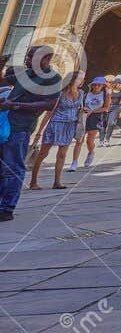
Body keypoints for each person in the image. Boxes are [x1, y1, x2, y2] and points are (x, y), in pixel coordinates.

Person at [0, 48, 62, 222]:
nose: (27, 59)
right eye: (27, 56)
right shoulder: (25, 73)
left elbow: (49, 104)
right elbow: (3, 82)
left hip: (20, 126)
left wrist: (15, 105)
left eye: (32, 57)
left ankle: (6, 208)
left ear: (47, 59)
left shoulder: (53, 79)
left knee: (12, 167)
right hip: (4, 123)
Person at [29, 71, 83, 191]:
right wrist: (39, 131)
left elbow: (78, 109)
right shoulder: (60, 94)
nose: (82, 81)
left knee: (62, 155)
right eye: (80, 79)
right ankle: (33, 181)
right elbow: (49, 112)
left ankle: (57, 182)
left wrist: (82, 113)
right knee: (43, 153)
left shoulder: (81, 94)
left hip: (69, 126)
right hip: (55, 125)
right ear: (72, 80)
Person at [69, 76, 107, 172]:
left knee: (89, 140)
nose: (97, 86)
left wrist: (92, 111)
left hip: (96, 118)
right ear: (92, 85)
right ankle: (74, 162)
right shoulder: (86, 95)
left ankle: (91, 152)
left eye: (99, 85)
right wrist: (83, 110)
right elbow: (81, 106)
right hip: (84, 117)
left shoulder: (105, 95)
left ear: (102, 86)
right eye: (95, 84)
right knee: (79, 140)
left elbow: (106, 108)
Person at [102, 75, 121, 142]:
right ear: (116, 84)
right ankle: (102, 137)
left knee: (111, 123)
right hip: (107, 107)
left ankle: (107, 139)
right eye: (120, 83)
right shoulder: (109, 90)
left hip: (116, 108)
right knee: (104, 124)